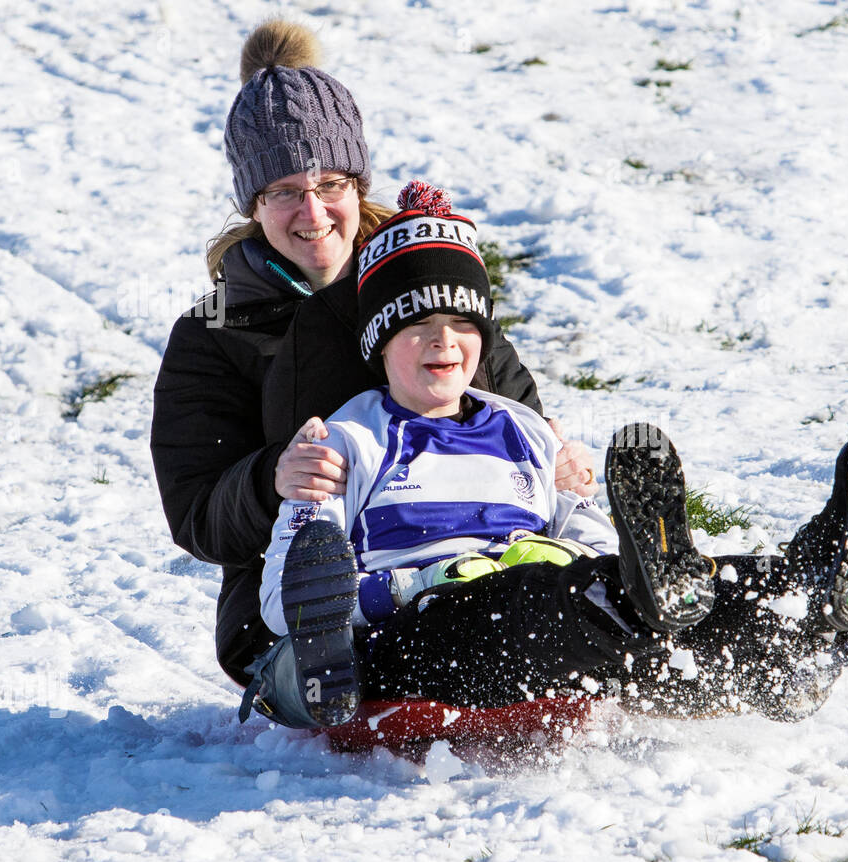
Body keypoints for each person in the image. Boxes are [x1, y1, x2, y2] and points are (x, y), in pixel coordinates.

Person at [244, 189, 848, 729]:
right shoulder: (346, 440)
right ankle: (689, 606)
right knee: (562, 601)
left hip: (559, 609)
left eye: (461, 325)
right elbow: (284, 602)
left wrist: (586, 515)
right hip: (421, 631)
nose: (441, 342)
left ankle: (803, 610)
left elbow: (586, 543)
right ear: (380, 344)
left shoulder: (525, 430)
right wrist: (397, 589)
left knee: (679, 597)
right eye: (416, 327)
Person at [150, 21, 595, 690]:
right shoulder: (215, 330)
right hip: (293, 609)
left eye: (330, 184)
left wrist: (560, 465)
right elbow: (197, 515)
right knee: (342, 641)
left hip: (475, 561)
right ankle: (324, 655)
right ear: (252, 204)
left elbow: (514, 424)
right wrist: (277, 477)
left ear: (357, 187)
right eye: (282, 193)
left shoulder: (430, 287)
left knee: (528, 591)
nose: (313, 212)